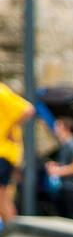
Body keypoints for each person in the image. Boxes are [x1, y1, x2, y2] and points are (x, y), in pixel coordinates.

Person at [0, 80, 35, 225]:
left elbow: (28, 109)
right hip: (5, 155)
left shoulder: (1, 92)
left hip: (4, 154)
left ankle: (12, 231)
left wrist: (9, 128)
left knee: (1, 197)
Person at [45, 116, 73, 219]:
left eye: (58, 126)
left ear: (66, 128)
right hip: (64, 187)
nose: (55, 129)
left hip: (71, 188)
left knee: (71, 218)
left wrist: (58, 171)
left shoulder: (72, 144)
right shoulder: (64, 145)